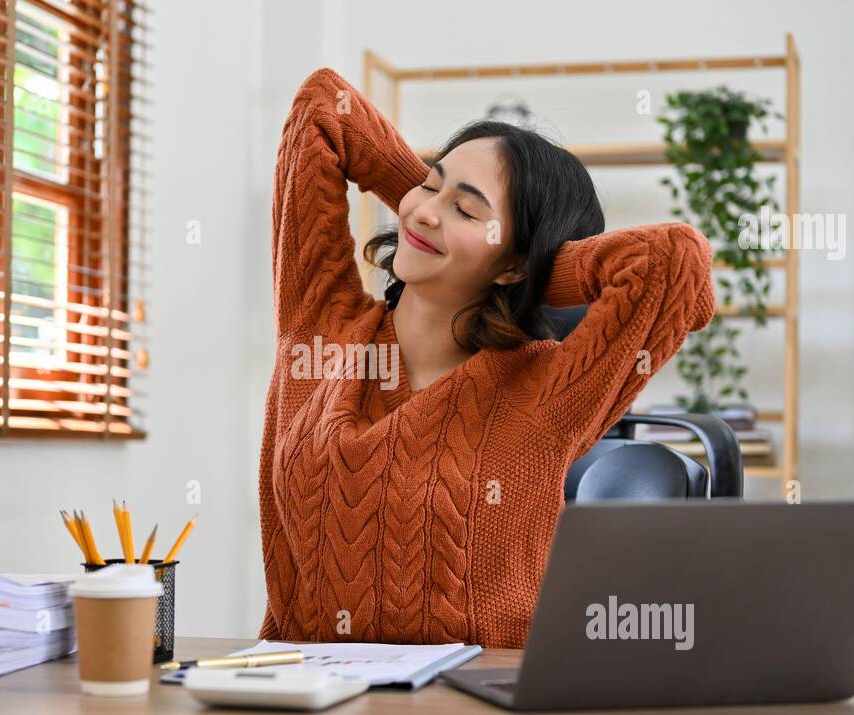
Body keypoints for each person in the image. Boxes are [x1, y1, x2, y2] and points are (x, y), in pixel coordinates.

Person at [259, 67, 715, 649]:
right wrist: (429, 206)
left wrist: (535, 266)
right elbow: (324, 107)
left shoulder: (545, 392)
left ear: (514, 263)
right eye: (429, 184)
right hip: (302, 700)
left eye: (468, 210)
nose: (423, 212)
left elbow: (676, 263)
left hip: (475, 703)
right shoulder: (319, 332)